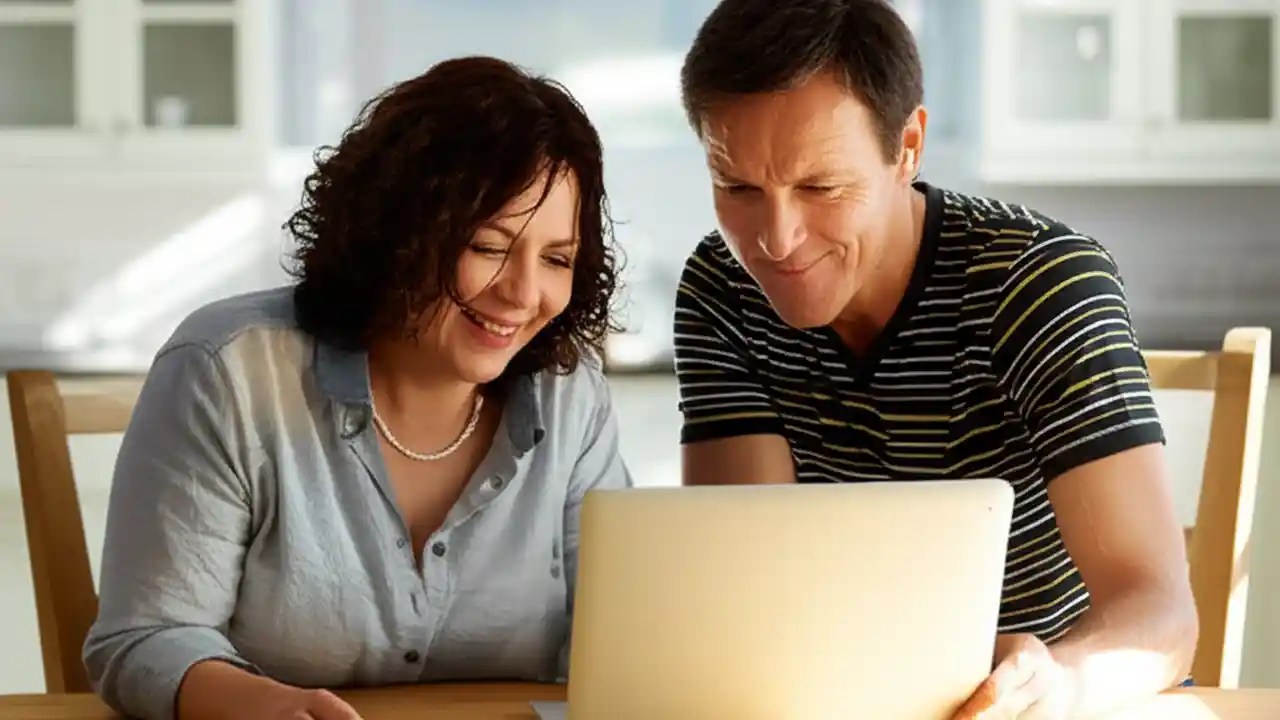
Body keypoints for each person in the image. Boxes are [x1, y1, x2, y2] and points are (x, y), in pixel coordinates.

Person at [671, 1, 1197, 717]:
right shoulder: (722, 288)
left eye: (821, 187)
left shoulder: (1039, 284)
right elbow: (751, 586)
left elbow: (1160, 616)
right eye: (737, 188)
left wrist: (1062, 681)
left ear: (908, 146)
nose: (776, 239)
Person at [83, 56, 631, 720]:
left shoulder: (571, 396)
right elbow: (147, 638)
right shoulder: (229, 371)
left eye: (556, 259)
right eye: (488, 246)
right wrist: (264, 707)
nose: (522, 294)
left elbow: (627, 637)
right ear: (400, 231)